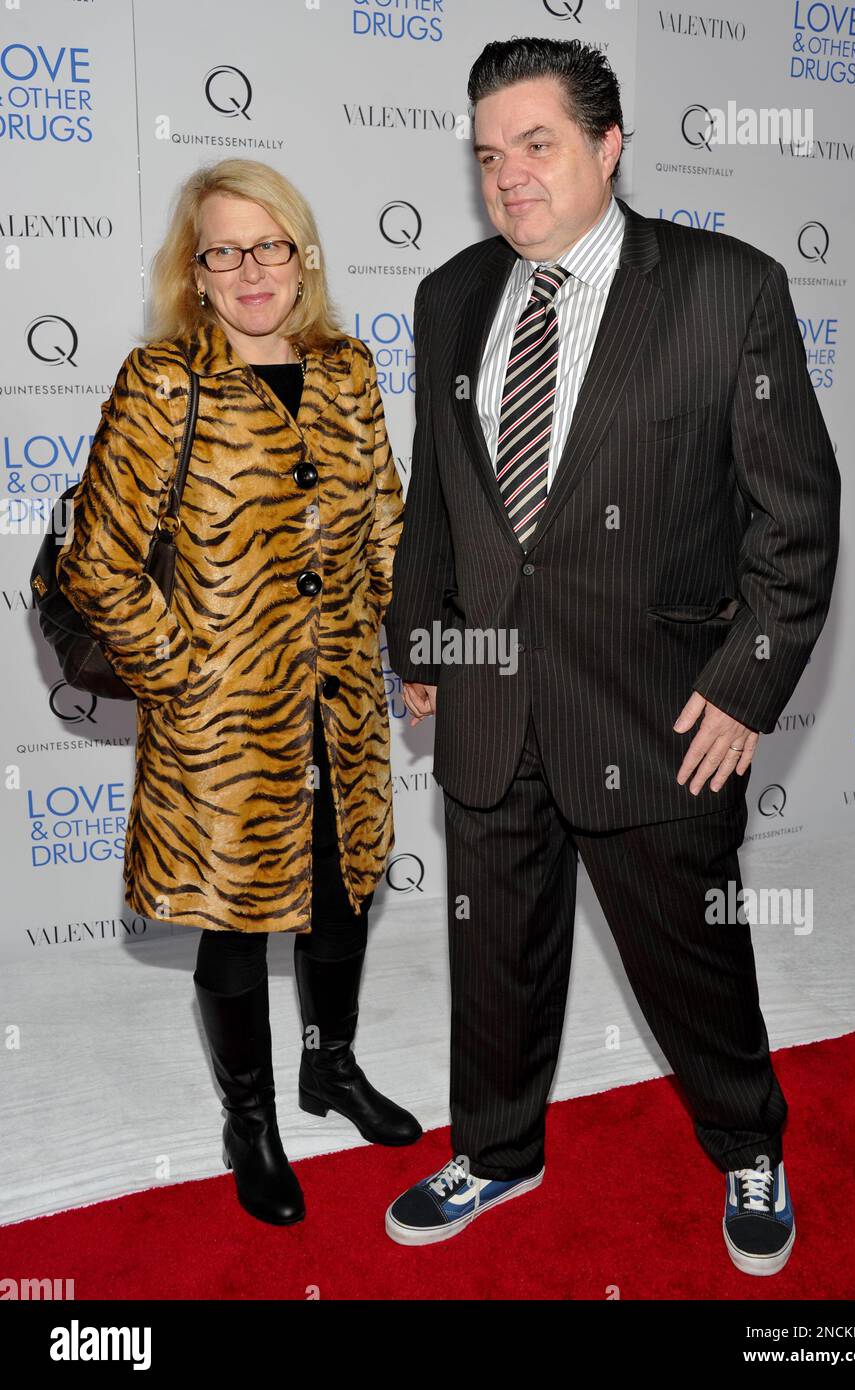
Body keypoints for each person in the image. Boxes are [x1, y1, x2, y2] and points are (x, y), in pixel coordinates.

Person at [383, 39, 840, 1273]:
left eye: (535, 145)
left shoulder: (722, 289)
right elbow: (441, 495)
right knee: (496, 956)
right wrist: (421, 639)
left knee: (690, 958)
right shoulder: (450, 297)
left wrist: (746, 685)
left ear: (607, 145)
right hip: (487, 698)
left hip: (657, 713)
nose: (508, 177)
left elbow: (792, 515)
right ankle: (497, 1149)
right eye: (488, 155)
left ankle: (748, 1143)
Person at [56, 158, 421, 1228]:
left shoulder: (349, 371)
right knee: (231, 924)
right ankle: (249, 1121)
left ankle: (331, 1069)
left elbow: (388, 529)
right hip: (221, 721)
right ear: (197, 271)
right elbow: (99, 565)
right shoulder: (163, 381)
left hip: (343, 700)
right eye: (224, 249)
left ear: (301, 255)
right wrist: (184, 678)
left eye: (270, 244)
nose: (251, 268)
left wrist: (417, 654)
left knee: (341, 896)